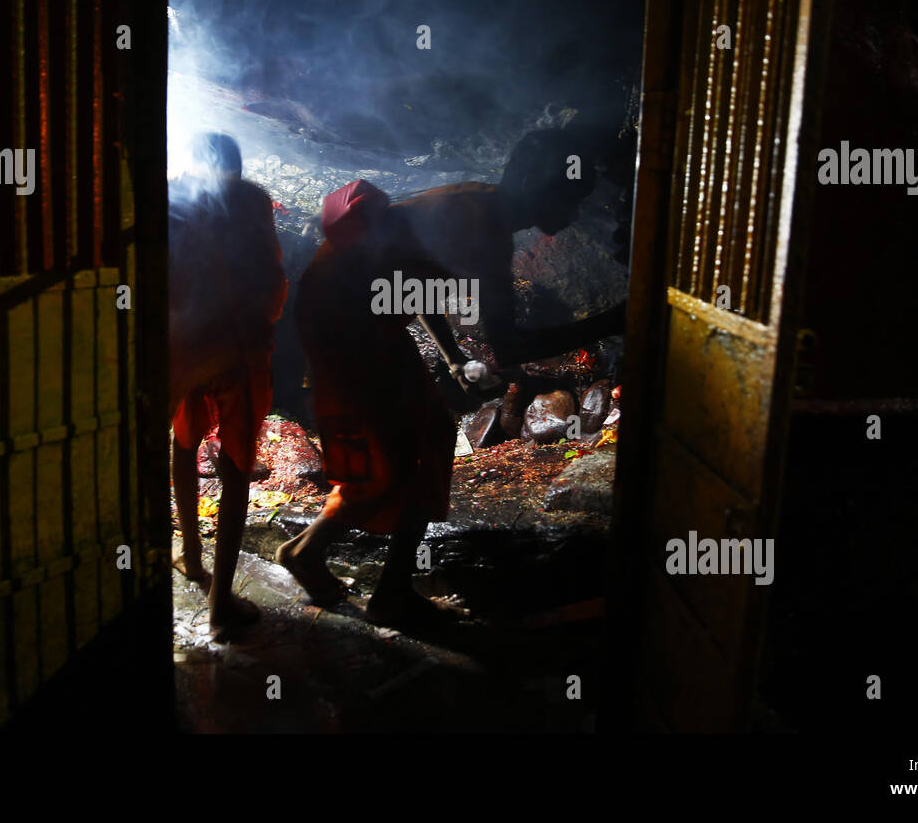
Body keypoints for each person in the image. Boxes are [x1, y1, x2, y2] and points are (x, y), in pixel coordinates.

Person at [279, 129, 624, 627]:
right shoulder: (485, 229)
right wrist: (611, 321)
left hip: (358, 309)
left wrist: (453, 355)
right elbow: (509, 346)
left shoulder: (477, 203)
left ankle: (328, 562)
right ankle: (368, 582)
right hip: (344, 320)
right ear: (533, 180)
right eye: (571, 195)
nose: (573, 213)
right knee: (398, 457)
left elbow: (408, 280)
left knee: (434, 433)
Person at [168, 132, 287, 639]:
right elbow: (270, 276)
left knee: (183, 440)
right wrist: (265, 324)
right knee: (236, 464)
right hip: (237, 343)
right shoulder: (254, 201)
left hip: (184, 343)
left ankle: (191, 559)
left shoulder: (173, 194)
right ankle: (219, 606)